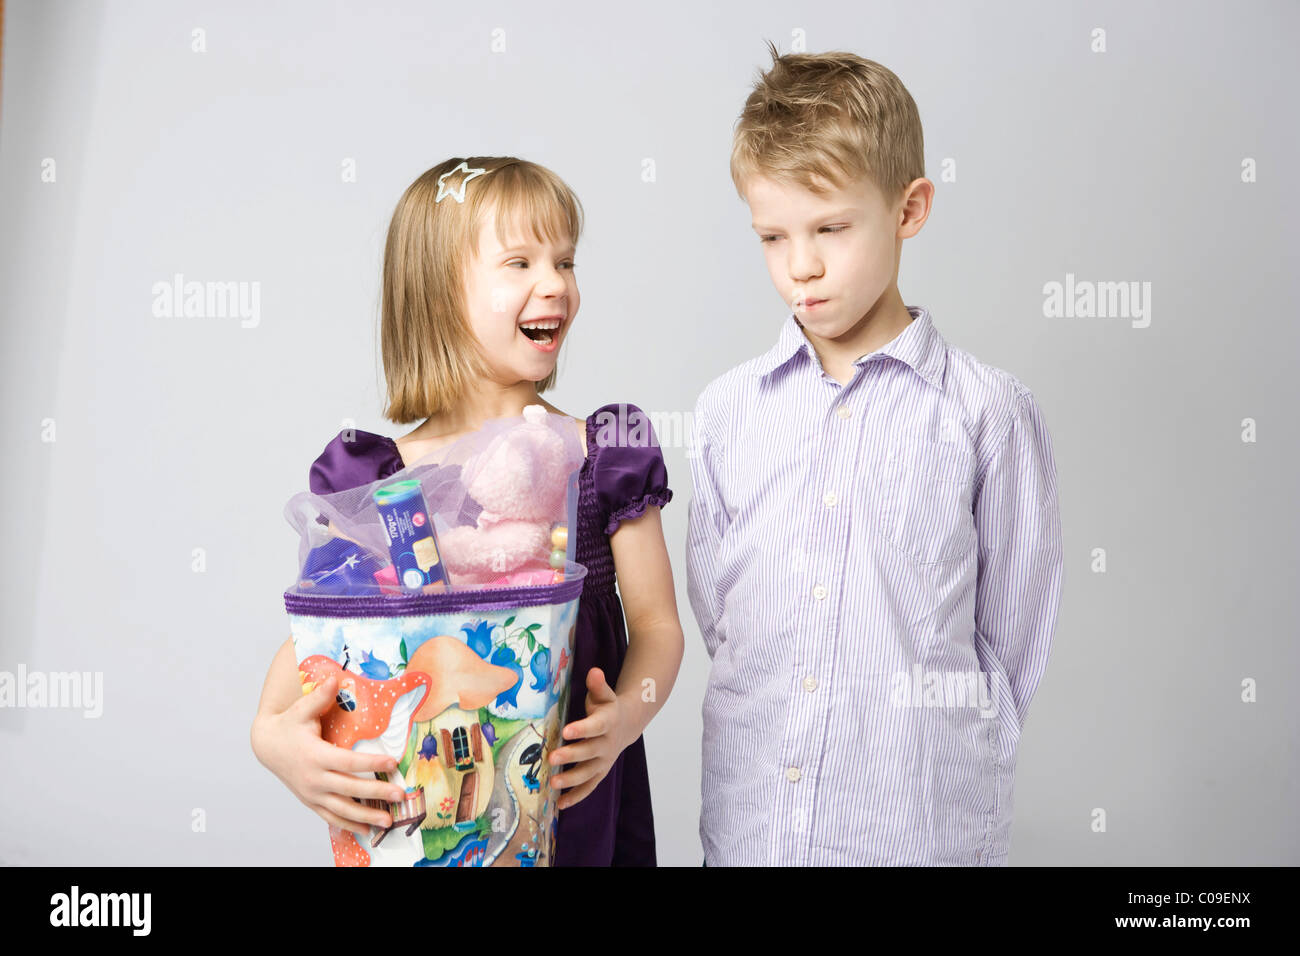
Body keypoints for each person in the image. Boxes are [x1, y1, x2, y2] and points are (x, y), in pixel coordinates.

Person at [686, 44, 1064, 866]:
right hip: (754, 833)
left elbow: (1011, 641)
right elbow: (725, 619)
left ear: (909, 207)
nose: (802, 267)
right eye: (773, 236)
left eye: (831, 228)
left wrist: (948, 755)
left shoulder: (986, 413)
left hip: (916, 834)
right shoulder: (726, 413)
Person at [251, 157, 685, 866]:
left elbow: (660, 626)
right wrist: (274, 742)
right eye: (519, 262)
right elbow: (318, 646)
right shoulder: (382, 480)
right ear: (439, 293)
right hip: (430, 814)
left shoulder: (602, 452)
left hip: (574, 800)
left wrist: (626, 718)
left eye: (566, 261)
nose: (557, 285)